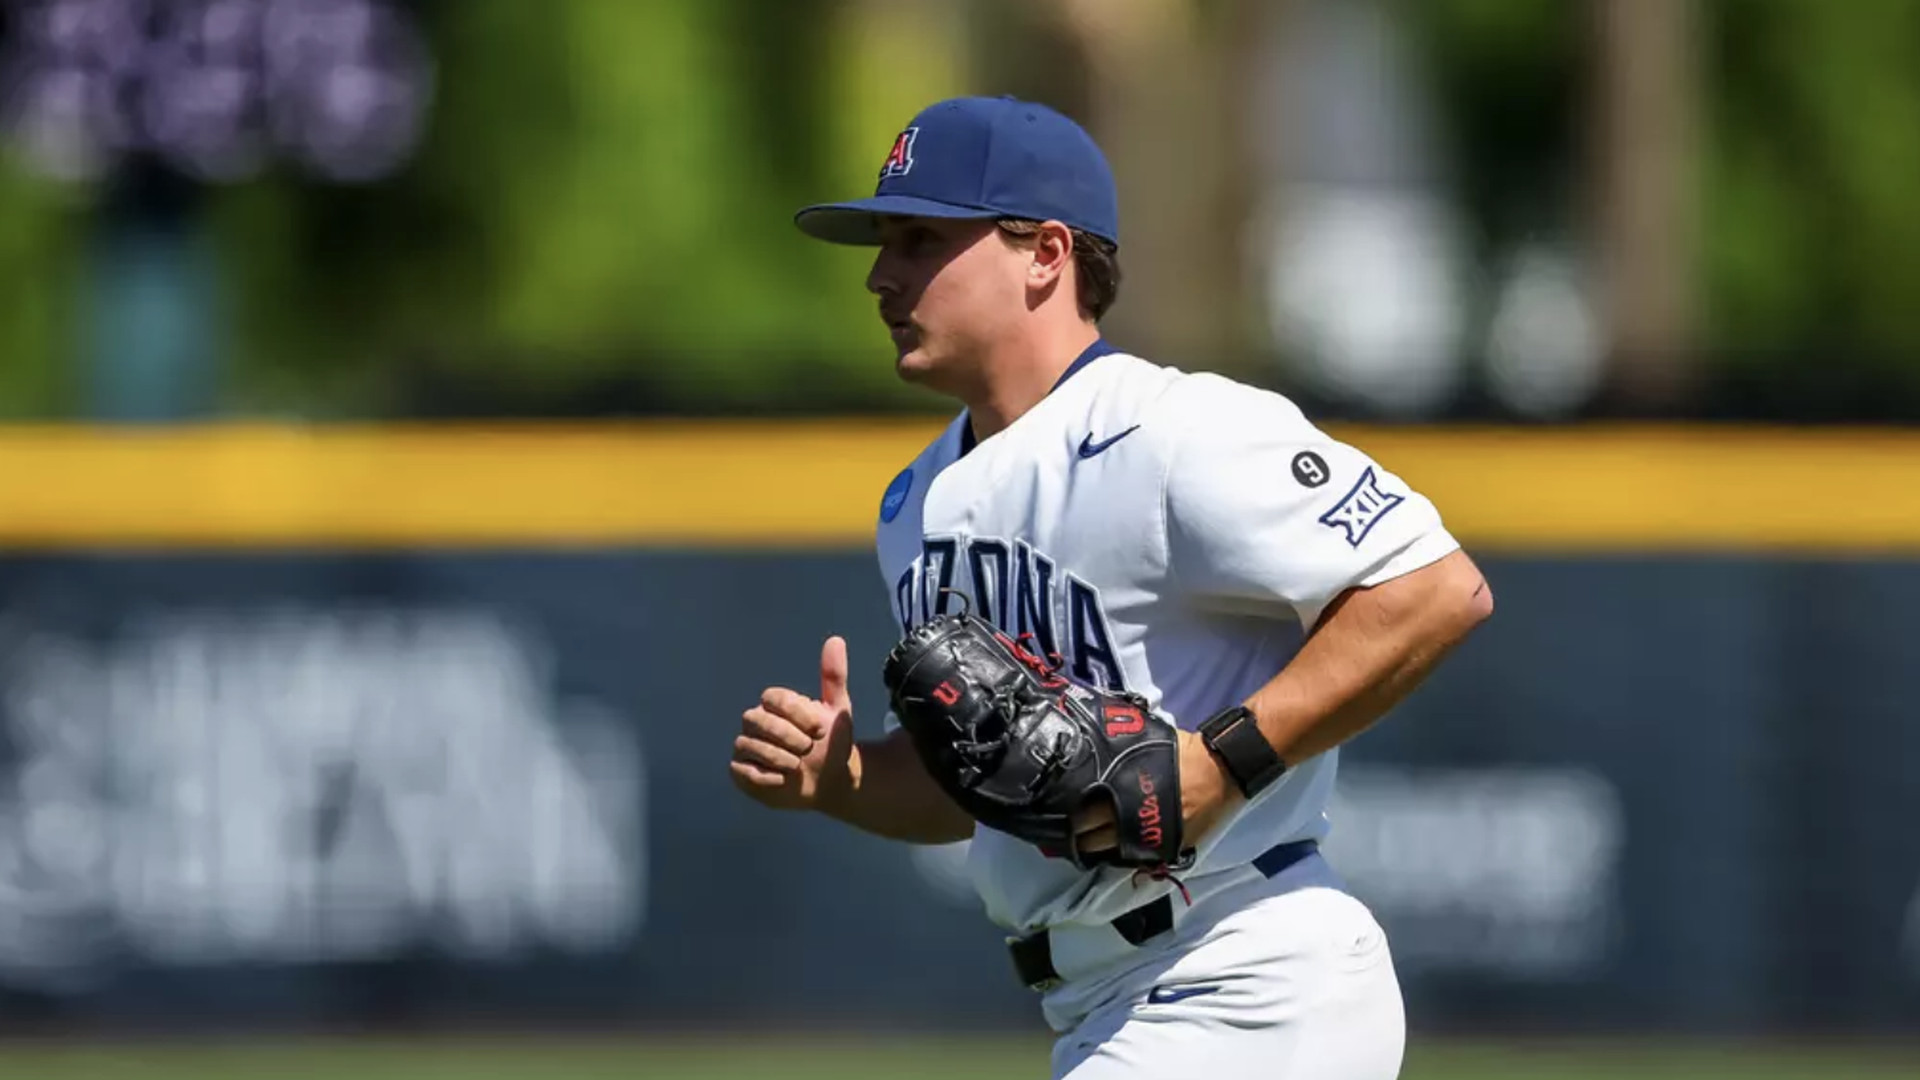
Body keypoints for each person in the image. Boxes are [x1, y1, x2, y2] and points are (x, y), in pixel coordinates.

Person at [728, 94, 1493, 1080]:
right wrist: (848, 781)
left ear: (1046, 254)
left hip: (1248, 970)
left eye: (922, 239)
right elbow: (974, 788)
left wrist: (1223, 764)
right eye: (884, 243)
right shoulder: (915, 505)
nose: (883, 274)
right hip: (1104, 1004)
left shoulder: (1175, 433)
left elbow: (1433, 589)